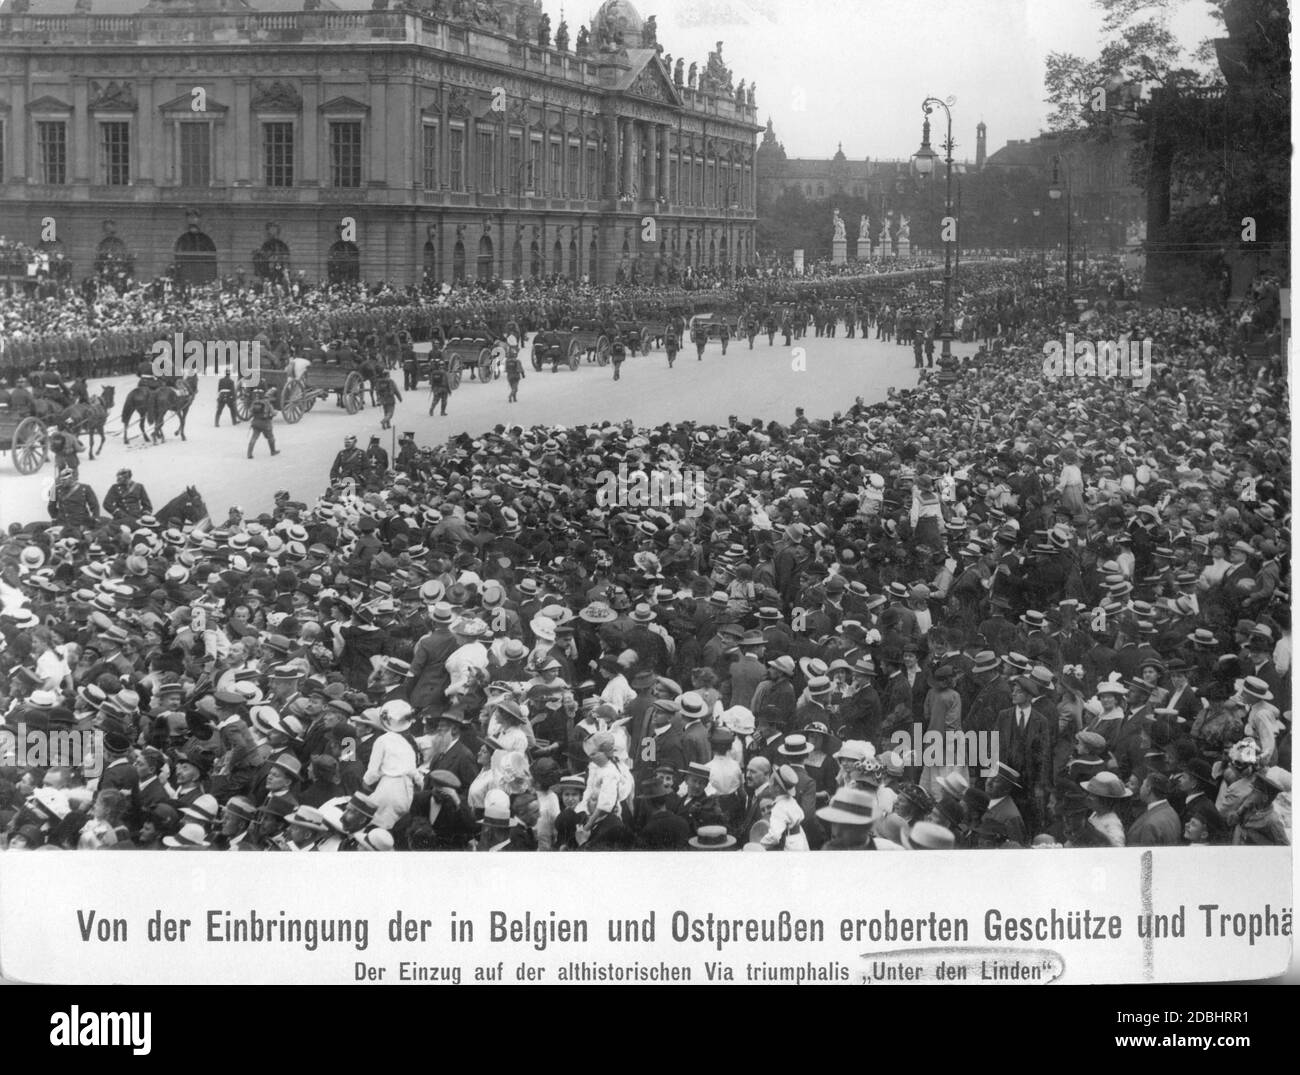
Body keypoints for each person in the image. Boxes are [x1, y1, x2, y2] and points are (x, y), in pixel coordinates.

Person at [247, 388, 278, 459]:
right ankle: (273, 451)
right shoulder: (267, 402)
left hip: (255, 423)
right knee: (271, 438)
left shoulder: (254, 402)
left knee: (253, 438)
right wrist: (275, 412)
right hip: (265, 423)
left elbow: (250, 414)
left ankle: (249, 454)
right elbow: (273, 413)